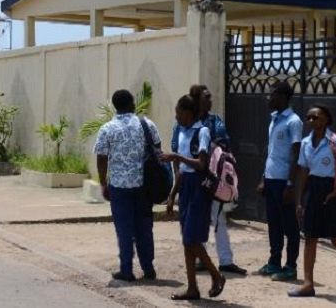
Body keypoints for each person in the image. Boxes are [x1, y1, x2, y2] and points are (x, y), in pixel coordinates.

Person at [167, 84, 245, 276]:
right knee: (195, 222)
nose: (210, 100)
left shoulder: (214, 121)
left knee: (218, 220)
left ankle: (225, 261)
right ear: (196, 100)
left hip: (212, 179)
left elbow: (223, 146)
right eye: (206, 97)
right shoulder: (181, 125)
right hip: (191, 179)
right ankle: (200, 259)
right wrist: (177, 183)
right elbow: (177, 152)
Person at [288, 105, 336, 297]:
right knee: (310, 236)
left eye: (316, 117)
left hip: (331, 191)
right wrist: (299, 200)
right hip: (313, 190)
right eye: (309, 117)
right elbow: (303, 172)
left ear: (326, 120)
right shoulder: (305, 143)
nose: (311, 120)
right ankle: (308, 284)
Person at [160, 95, 226, 301]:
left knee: (191, 238)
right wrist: (172, 195)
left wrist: (177, 157)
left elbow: (201, 164)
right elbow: (182, 170)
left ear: (188, 113)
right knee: (187, 240)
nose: (176, 117)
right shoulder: (181, 132)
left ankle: (216, 275)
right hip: (186, 186)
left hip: (198, 187)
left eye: (178, 113)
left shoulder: (202, 131)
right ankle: (192, 288)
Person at [93, 89, 161, 282]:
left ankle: (126, 270)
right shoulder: (147, 125)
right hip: (143, 185)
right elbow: (158, 150)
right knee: (144, 228)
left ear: (115, 106)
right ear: (132, 103)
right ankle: (148, 268)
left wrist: (103, 183)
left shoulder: (107, 129)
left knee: (124, 229)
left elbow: (101, 158)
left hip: (119, 186)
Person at [255, 81, 303, 281]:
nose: (268, 98)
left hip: (284, 181)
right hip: (271, 179)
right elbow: (271, 152)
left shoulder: (293, 121)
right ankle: (274, 261)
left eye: (271, 94)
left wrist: (291, 185)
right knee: (274, 224)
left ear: (283, 97)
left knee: (290, 226)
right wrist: (263, 178)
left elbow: (297, 154)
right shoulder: (274, 119)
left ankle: (290, 266)